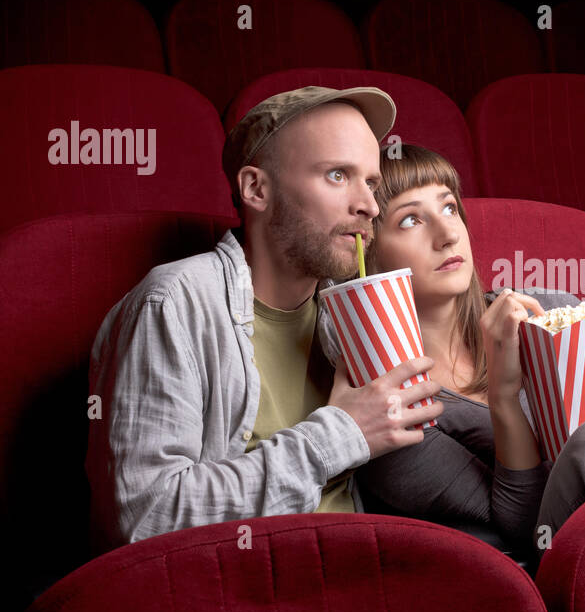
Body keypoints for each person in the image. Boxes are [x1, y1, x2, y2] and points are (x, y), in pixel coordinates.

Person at [85, 87, 443, 550]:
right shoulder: (172, 304)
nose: (369, 206)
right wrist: (340, 434)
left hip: (355, 561)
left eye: (371, 183)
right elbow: (146, 515)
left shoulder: (350, 311)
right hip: (236, 584)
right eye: (338, 175)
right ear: (256, 189)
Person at [351, 143, 585, 570]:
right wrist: (504, 397)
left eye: (450, 208)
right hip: (545, 569)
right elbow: (526, 531)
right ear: (366, 255)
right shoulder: (386, 407)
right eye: (411, 219)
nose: (447, 234)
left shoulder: (551, 310)